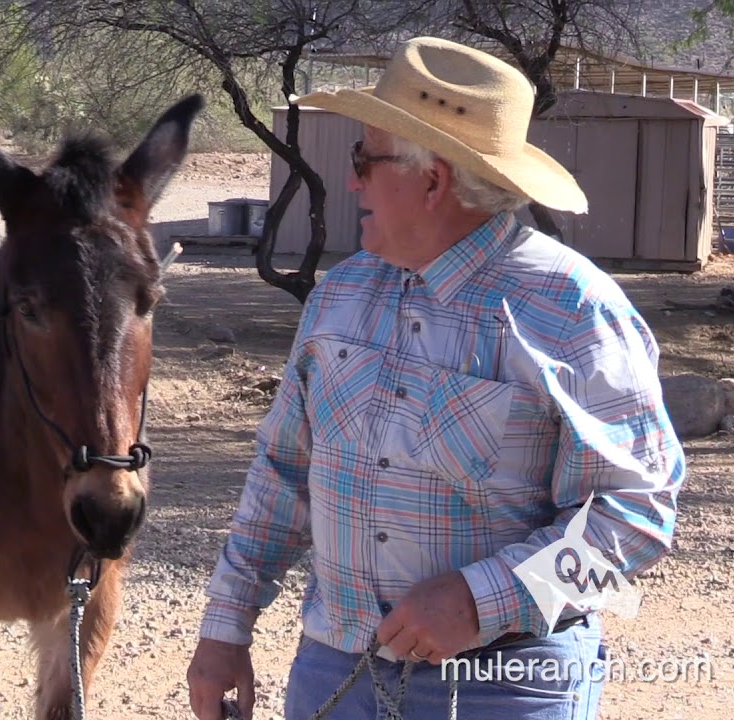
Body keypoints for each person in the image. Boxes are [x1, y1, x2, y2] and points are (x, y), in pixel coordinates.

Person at [186, 36, 686, 720]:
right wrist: (225, 627)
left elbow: (639, 519)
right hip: (335, 671)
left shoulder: (574, 311)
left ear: (433, 180)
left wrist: (483, 600)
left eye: (363, 160)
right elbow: (282, 475)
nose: (352, 182)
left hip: (506, 686)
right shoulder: (340, 296)